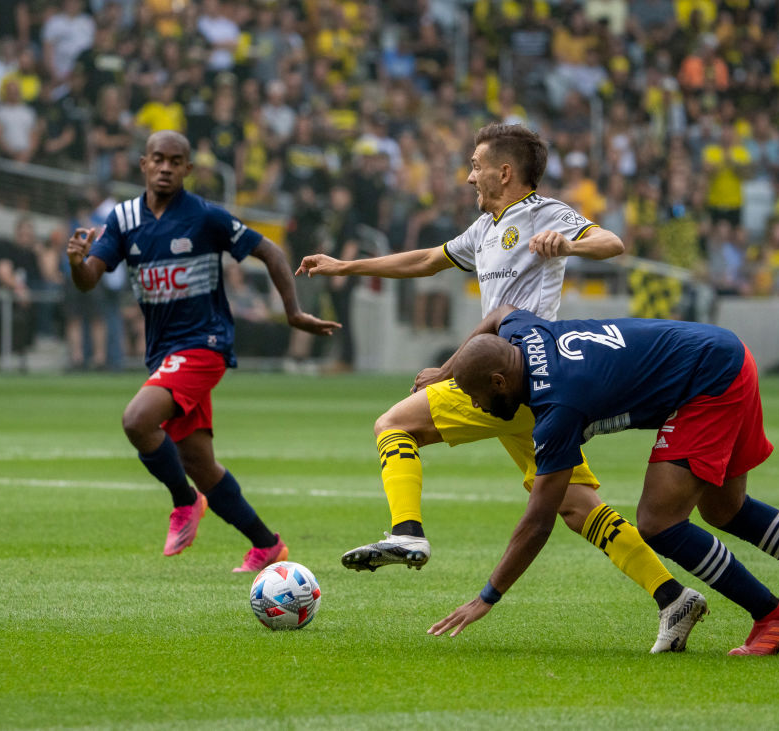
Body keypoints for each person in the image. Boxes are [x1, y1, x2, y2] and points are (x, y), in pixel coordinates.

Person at [298, 122, 708, 653]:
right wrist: (345, 266)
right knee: (578, 506)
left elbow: (612, 242)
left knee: (393, 425)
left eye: (476, 165)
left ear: (505, 171)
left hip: (514, 378)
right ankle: (672, 595)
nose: (469, 175)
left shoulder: (545, 212)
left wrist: (569, 243)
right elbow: (426, 259)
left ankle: (406, 530)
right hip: (533, 394)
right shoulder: (485, 227)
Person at [430, 304, 779, 656]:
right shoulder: (522, 334)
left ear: (498, 381)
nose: (474, 406)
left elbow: (538, 522)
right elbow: (499, 314)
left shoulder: (559, 409)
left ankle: (772, 615)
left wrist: (487, 596)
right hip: (723, 353)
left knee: (657, 521)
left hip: (707, 382)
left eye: (473, 395)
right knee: (724, 509)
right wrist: (448, 372)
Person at [66, 130, 340, 572]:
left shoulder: (205, 217)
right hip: (164, 353)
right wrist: (78, 261)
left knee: (137, 420)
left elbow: (270, 251)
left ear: (188, 169)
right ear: (143, 163)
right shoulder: (123, 219)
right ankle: (267, 545)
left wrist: (292, 312)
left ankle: (184, 502)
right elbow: (90, 278)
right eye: (158, 159)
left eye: (176, 161)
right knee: (197, 460)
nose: (166, 167)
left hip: (204, 344)